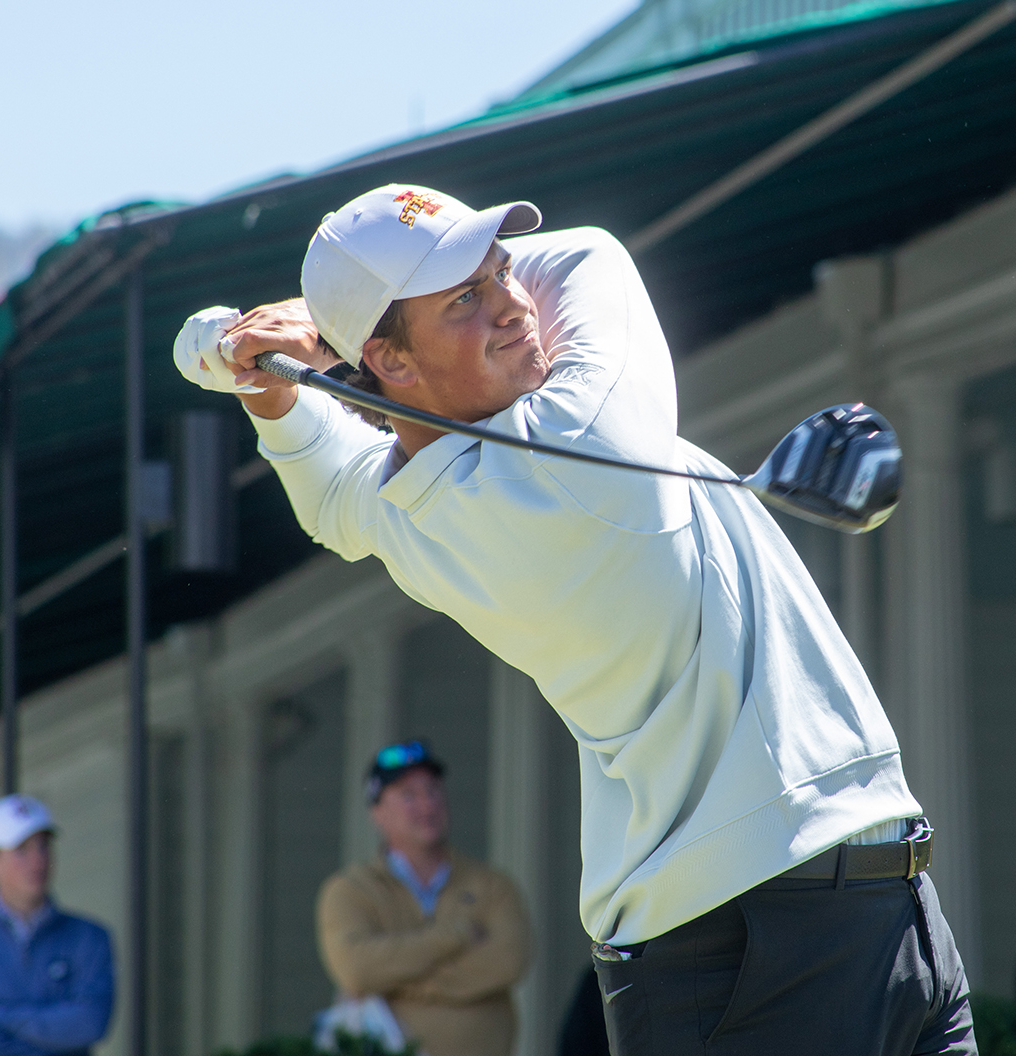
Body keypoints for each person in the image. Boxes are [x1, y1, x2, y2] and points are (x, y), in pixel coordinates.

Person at [171, 184, 966, 1055]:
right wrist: (321, 334)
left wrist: (273, 393)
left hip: (862, 910)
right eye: (465, 298)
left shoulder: (404, 507)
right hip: (751, 941)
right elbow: (593, 253)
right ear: (391, 365)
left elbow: (328, 490)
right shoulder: (581, 439)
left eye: (502, 270)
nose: (513, 305)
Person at [317, 740, 530, 1056]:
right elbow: (356, 969)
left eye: (433, 790)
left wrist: (394, 985)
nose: (427, 804)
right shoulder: (349, 890)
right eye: (408, 795)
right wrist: (455, 936)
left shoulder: (492, 885)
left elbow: (510, 960)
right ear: (377, 812)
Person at [0, 795, 114, 1056]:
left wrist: (0, 1017)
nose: (37, 860)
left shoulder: (89, 938)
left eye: (43, 846)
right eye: (21, 850)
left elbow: (90, 1024)